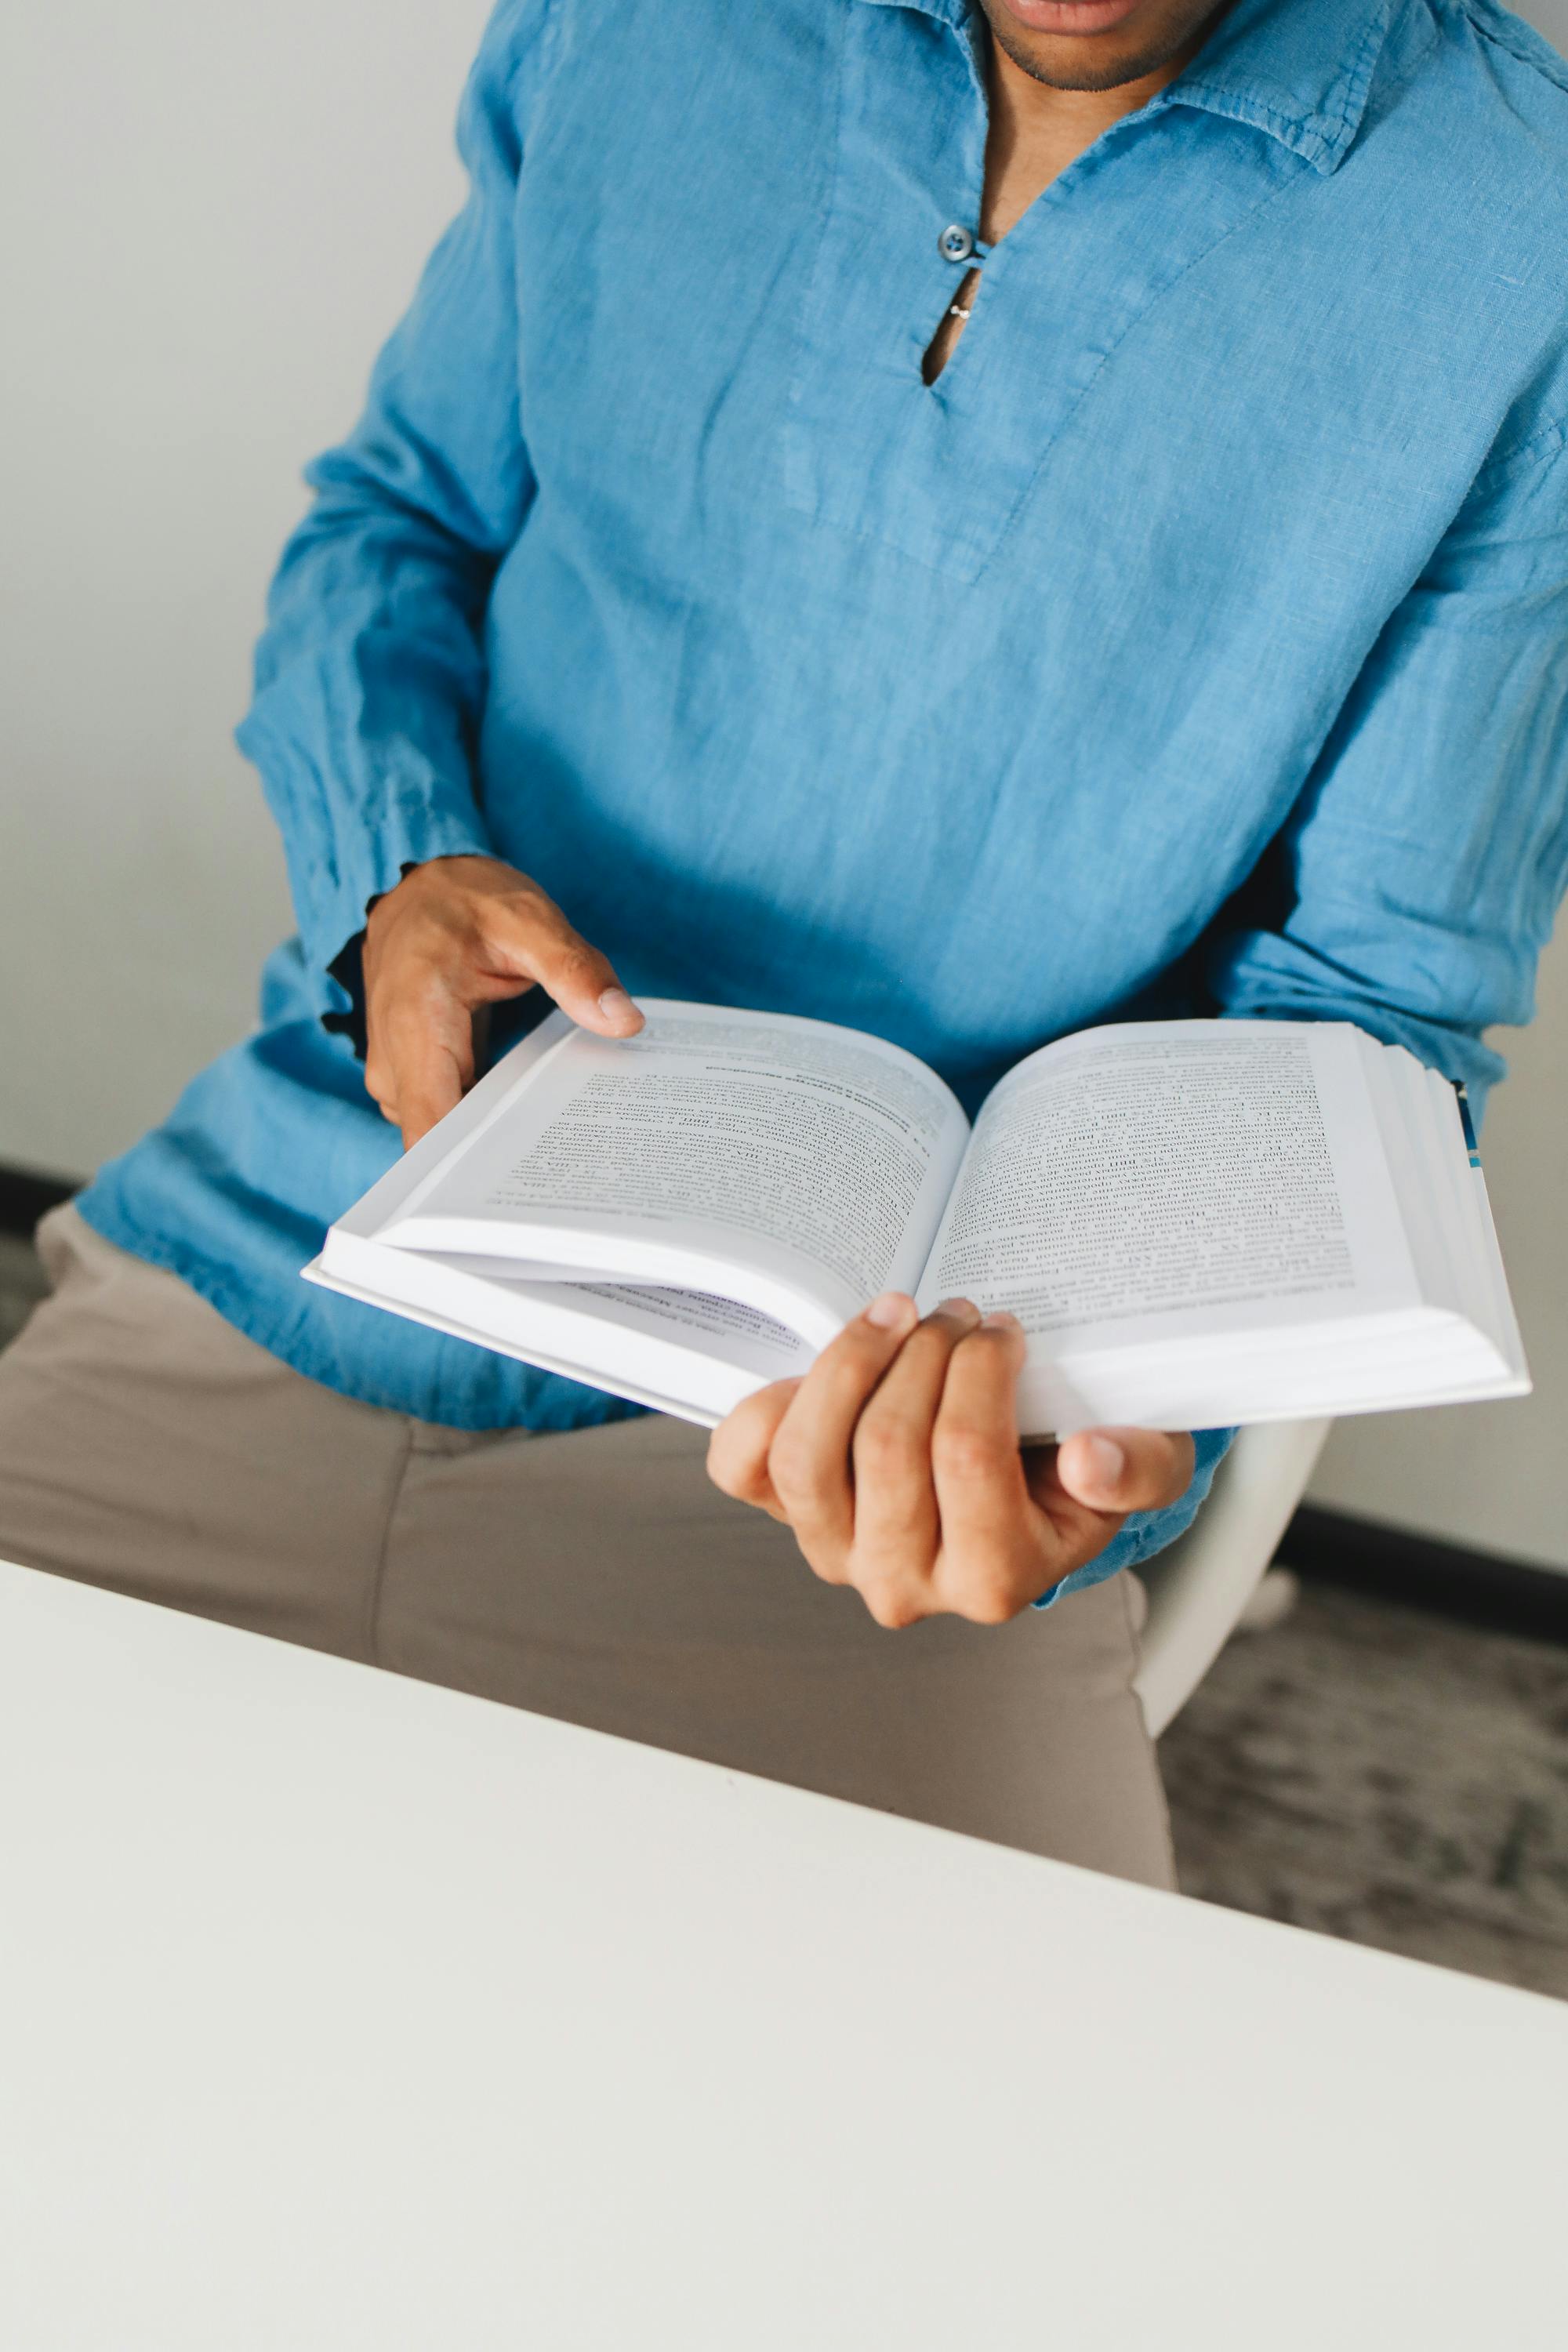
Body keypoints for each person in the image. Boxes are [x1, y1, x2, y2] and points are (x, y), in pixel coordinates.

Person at [2, 0, 1566, 1886]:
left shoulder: (1522, 230)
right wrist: (387, 880)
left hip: (876, 1472)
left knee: (1012, 2075)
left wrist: (1102, 1435)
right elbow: (393, 529)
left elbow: (1364, 1013)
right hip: (302, 1245)